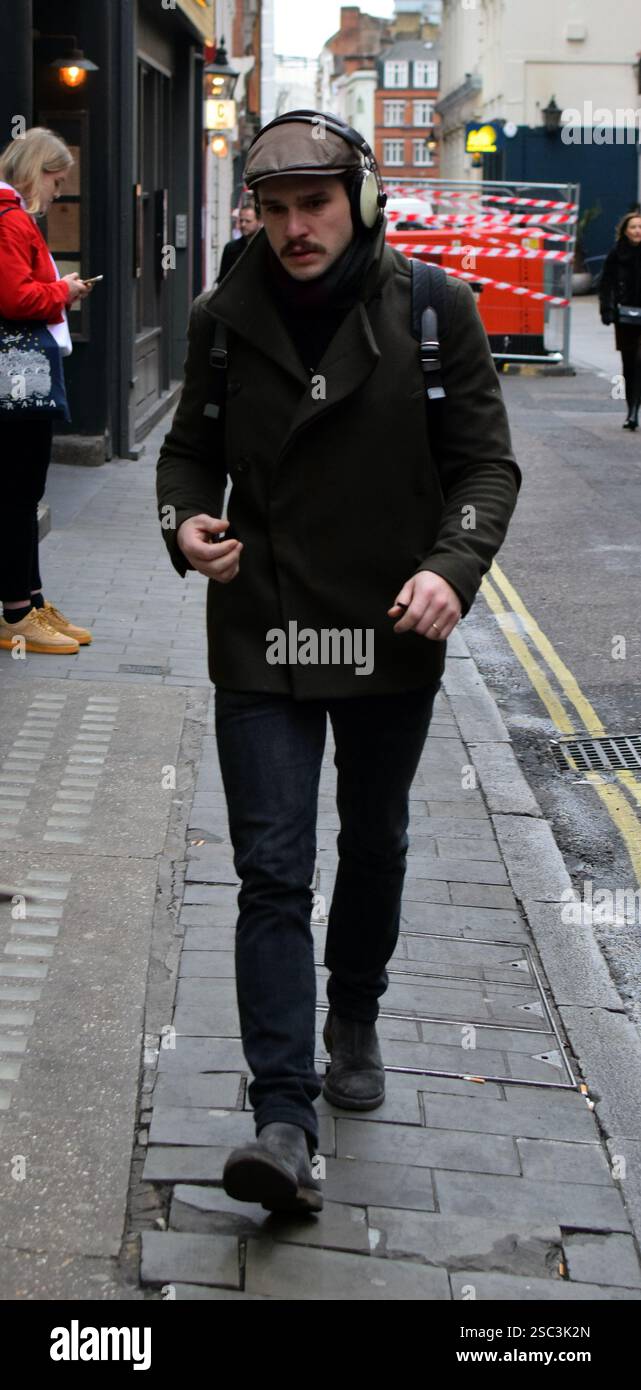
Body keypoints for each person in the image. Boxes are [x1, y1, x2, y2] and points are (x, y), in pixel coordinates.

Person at [157, 111, 521, 1214]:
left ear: (356, 199)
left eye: (312, 205)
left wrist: (451, 569)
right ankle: (282, 1117)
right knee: (271, 869)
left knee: (374, 838)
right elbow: (187, 449)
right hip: (261, 630)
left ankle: (351, 1008)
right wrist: (183, 522)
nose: (292, 229)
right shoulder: (224, 317)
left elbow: (484, 468)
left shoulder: (429, 310)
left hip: (383, 628)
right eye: (271, 210)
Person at [0, 127, 94, 653]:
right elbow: (15, 299)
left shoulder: (11, 218)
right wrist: (65, 290)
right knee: (19, 491)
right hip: (16, 379)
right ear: (38, 171)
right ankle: (17, 613)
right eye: (57, 181)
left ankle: (32, 602)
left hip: (17, 377)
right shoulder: (10, 221)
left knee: (24, 490)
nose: (59, 193)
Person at [599, 209, 641, 431]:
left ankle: (635, 409)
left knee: (640, 360)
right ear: (625, 231)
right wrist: (606, 309)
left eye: (640, 227)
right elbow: (605, 283)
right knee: (629, 363)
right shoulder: (616, 254)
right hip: (624, 317)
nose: (637, 231)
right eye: (633, 227)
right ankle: (631, 410)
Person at [217, 198, 263, 282]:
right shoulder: (230, 248)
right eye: (241, 220)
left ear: (259, 222)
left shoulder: (268, 247)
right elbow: (223, 280)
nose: (243, 224)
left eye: (248, 221)